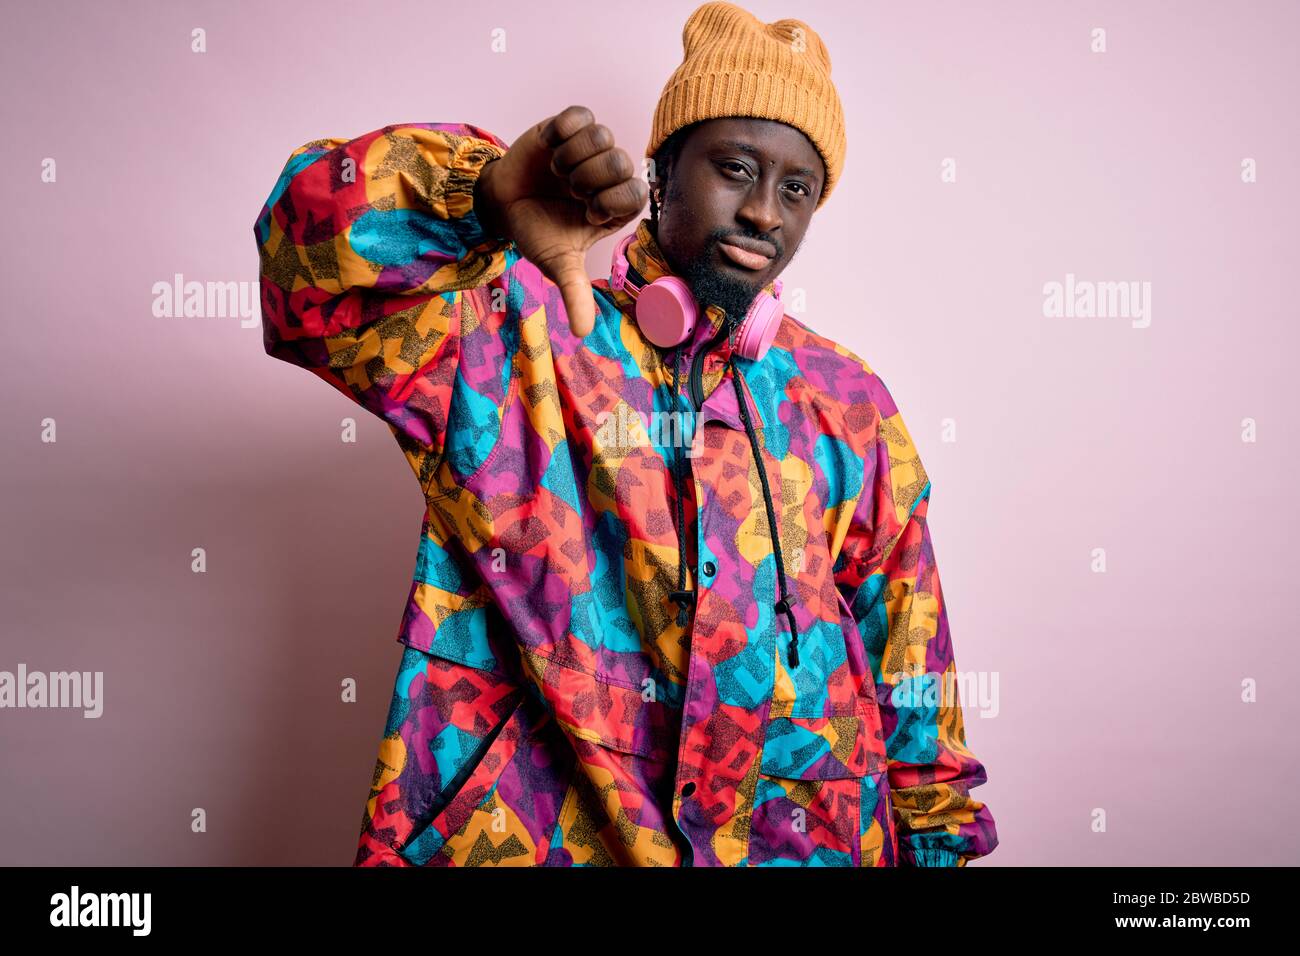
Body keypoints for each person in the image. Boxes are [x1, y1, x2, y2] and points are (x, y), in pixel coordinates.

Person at [254, 0, 998, 867]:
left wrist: (938, 847)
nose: (764, 212)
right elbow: (304, 272)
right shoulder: (513, 334)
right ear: (661, 171)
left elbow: (910, 658)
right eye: (735, 168)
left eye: (796, 189)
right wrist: (484, 198)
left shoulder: (848, 402)